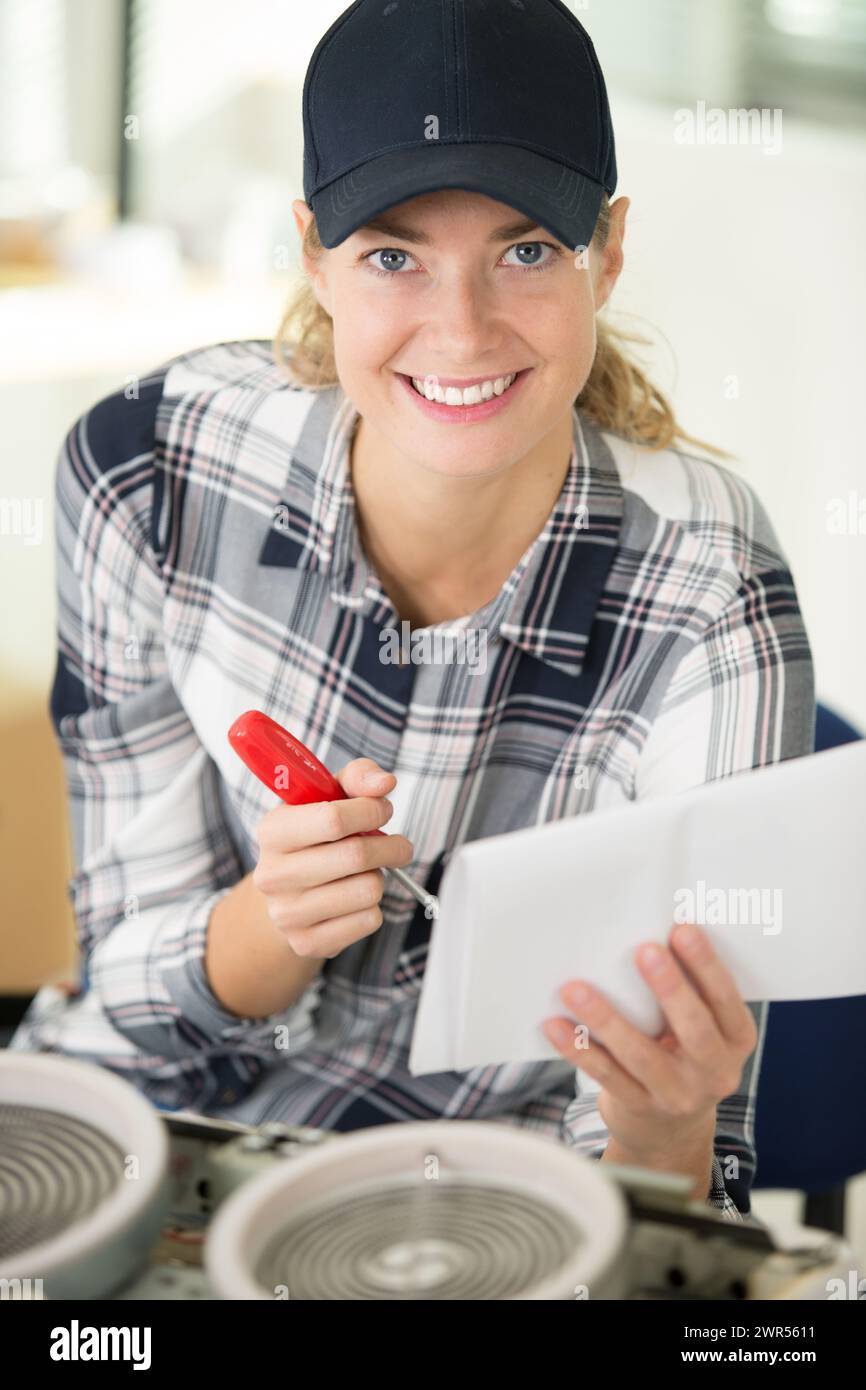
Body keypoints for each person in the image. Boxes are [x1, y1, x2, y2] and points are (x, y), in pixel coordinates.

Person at [11, 0, 814, 1225]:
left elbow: (663, 1202)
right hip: (163, 1142)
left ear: (605, 249)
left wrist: (665, 1118)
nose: (461, 328)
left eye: (525, 251)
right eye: (394, 255)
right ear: (312, 252)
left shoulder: (711, 584)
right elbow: (120, 991)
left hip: (492, 1209)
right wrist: (266, 927)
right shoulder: (145, 467)